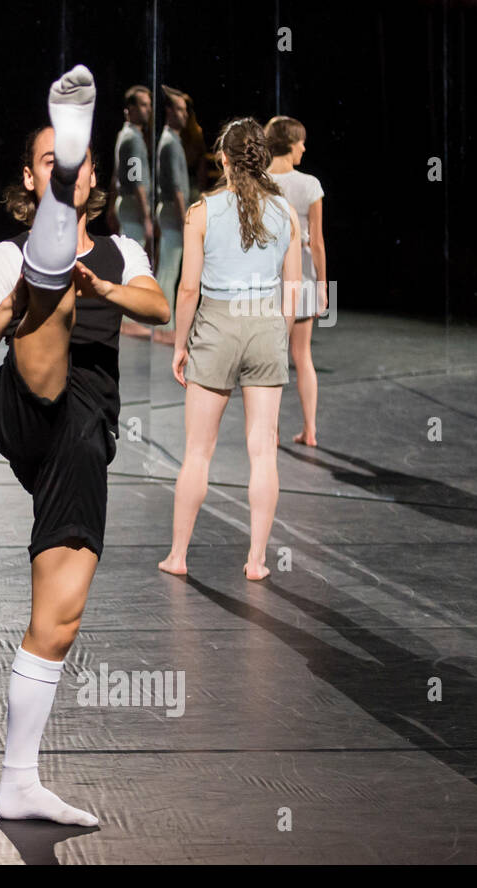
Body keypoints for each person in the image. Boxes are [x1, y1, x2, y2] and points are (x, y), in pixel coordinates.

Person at [0, 65, 157, 827]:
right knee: (48, 318)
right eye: (49, 162)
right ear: (32, 179)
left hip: (82, 430)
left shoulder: (125, 253)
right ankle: (50, 277)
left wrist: (101, 286)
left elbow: (158, 307)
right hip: (24, 401)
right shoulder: (4, 257)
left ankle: (19, 779)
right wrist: (17, 302)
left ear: (92, 176)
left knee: (59, 617)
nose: (62, 173)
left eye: (71, 166)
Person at [158, 117, 302, 581]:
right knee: (263, 450)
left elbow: (187, 291)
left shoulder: (201, 212)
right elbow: (293, 288)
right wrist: (276, 334)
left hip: (217, 326)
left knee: (198, 451)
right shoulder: (286, 213)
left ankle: (178, 556)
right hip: (264, 325)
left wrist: (179, 346)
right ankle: (257, 560)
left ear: (222, 158)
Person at [267, 115, 327, 446]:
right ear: (290, 143)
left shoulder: (258, 181)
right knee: (301, 356)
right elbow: (317, 241)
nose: (304, 146)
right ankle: (310, 430)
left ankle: (271, 430)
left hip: (268, 279)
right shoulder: (309, 185)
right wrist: (322, 286)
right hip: (301, 277)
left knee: (272, 358)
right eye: (301, 141)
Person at [155, 86, 190, 321]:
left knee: (170, 267)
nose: (184, 115)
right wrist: (184, 218)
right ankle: (162, 322)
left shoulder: (172, 141)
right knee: (169, 268)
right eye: (179, 109)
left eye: (185, 110)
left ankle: (162, 321)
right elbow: (176, 186)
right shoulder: (169, 143)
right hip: (171, 210)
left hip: (170, 209)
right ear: (168, 111)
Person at [111, 85, 153, 257]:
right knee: (133, 257)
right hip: (133, 206)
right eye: (143, 105)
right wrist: (146, 217)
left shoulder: (125, 135)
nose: (148, 110)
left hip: (127, 204)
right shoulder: (132, 139)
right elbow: (136, 180)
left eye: (149, 105)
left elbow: (116, 174)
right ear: (131, 109)